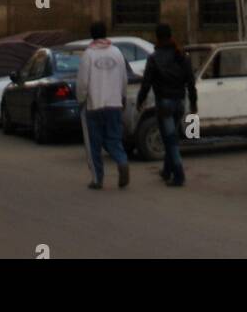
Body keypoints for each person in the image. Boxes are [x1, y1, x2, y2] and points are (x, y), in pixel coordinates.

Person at [136, 23, 198, 187]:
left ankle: (178, 174)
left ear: (157, 37)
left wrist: (140, 101)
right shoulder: (181, 55)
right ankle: (167, 170)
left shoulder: (154, 58)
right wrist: (193, 102)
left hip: (165, 103)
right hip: (180, 102)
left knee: (170, 141)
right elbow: (191, 81)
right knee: (171, 137)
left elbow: (146, 83)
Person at [74, 21, 130, 190]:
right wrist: (123, 97)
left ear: (92, 35)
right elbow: (124, 78)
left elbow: (83, 82)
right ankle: (122, 161)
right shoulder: (117, 52)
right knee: (114, 139)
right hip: (114, 103)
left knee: (94, 144)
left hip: (94, 105)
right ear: (106, 34)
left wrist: (81, 99)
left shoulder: (88, 54)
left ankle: (98, 179)